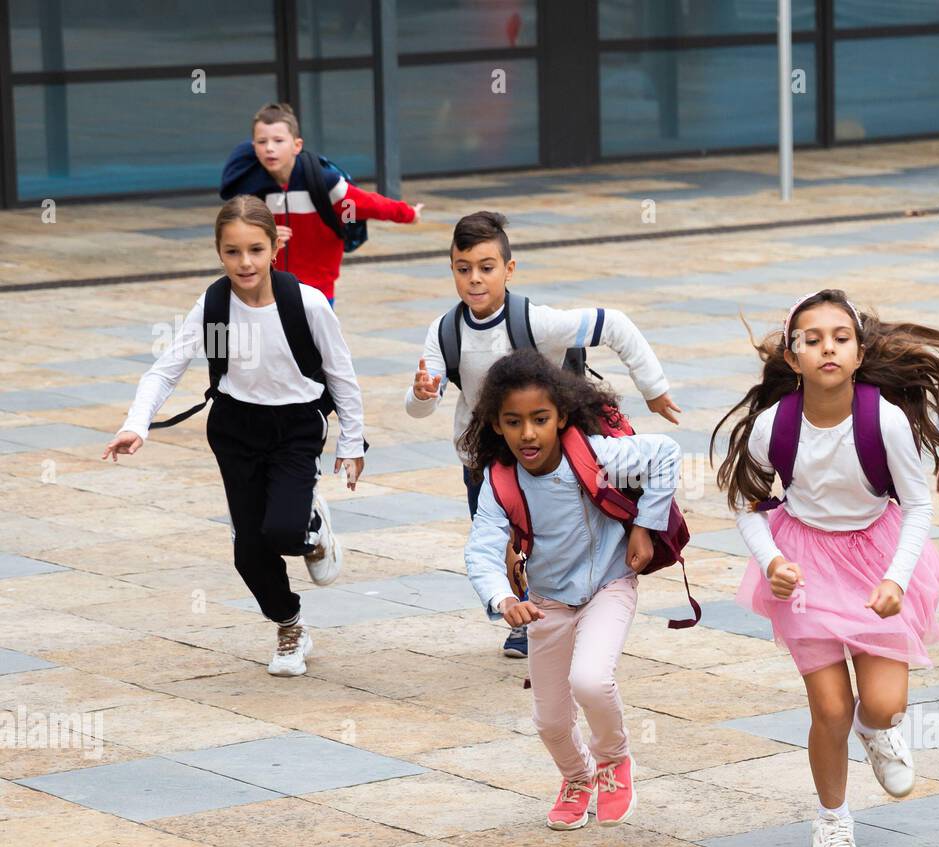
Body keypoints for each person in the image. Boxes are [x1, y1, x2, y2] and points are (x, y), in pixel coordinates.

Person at [715, 288, 939, 847]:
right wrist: (771, 562)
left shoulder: (884, 420)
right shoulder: (771, 427)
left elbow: (916, 506)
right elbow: (748, 505)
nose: (827, 348)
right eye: (812, 340)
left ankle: (877, 729)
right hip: (805, 567)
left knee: (883, 704)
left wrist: (896, 579)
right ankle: (833, 819)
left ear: (860, 353)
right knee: (829, 709)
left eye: (840, 338)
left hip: (875, 563)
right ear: (792, 356)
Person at [102, 195, 366, 677]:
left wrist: (352, 443)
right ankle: (290, 625)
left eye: (255, 250)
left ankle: (308, 522)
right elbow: (165, 371)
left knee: (283, 532)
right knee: (249, 552)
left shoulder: (303, 302)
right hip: (235, 428)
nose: (245, 262)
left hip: (296, 426)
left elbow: (342, 375)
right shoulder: (214, 304)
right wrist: (134, 424)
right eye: (233, 251)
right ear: (219, 252)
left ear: (273, 250)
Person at [407, 210, 680, 658]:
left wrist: (654, 389)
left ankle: (580, 606)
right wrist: (422, 393)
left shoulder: (536, 321)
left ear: (508, 269)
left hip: (553, 452)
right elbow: (421, 405)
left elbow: (613, 323)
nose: (475, 279)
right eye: (463, 269)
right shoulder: (445, 331)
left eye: (486, 267)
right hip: (484, 461)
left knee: (547, 534)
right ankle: (523, 615)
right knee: (503, 539)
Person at [462, 350, 682, 831]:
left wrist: (645, 525)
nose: (528, 434)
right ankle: (577, 778)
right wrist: (505, 601)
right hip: (546, 605)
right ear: (496, 426)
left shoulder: (596, 456)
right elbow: (481, 551)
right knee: (550, 721)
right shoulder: (500, 483)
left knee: (591, 680)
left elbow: (665, 453)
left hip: (609, 584)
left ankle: (612, 762)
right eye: (513, 422)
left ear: (561, 416)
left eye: (540, 419)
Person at [220, 101, 423, 304]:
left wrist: (409, 214)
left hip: (318, 292)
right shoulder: (252, 188)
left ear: (297, 145)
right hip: (270, 290)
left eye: (278, 141)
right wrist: (266, 235)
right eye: (262, 142)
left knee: (313, 337)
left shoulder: (323, 183)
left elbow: (369, 204)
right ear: (253, 147)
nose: (270, 148)